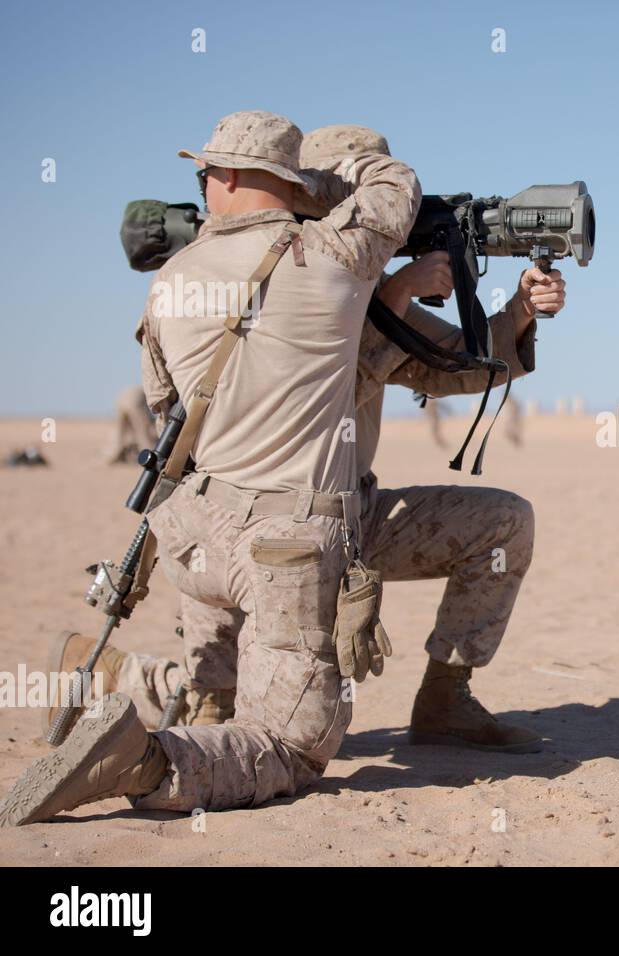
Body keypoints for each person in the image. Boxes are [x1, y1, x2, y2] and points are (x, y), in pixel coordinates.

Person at [45, 125, 566, 756]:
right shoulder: (286, 273)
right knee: (226, 709)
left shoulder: (354, 284)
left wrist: (519, 311)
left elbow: (451, 364)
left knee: (502, 523)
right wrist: (397, 292)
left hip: (344, 515)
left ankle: (445, 699)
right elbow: (308, 402)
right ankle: (123, 676)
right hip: (251, 524)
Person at [2, 110, 420, 826]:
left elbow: (166, 403)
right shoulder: (330, 256)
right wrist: (321, 186)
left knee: (220, 701)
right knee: (292, 745)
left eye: (203, 172)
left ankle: (124, 676)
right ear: (284, 181)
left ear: (223, 176)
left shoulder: (172, 277)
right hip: (283, 552)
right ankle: (143, 760)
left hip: (193, 541)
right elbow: (395, 182)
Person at [104, 386, 156, 464]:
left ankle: (113, 455)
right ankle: (150, 457)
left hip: (121, 400)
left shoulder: (143, 389)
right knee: (143, 433)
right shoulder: (150, 393)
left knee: (120, 433)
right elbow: (147, 423)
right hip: (135, 401)